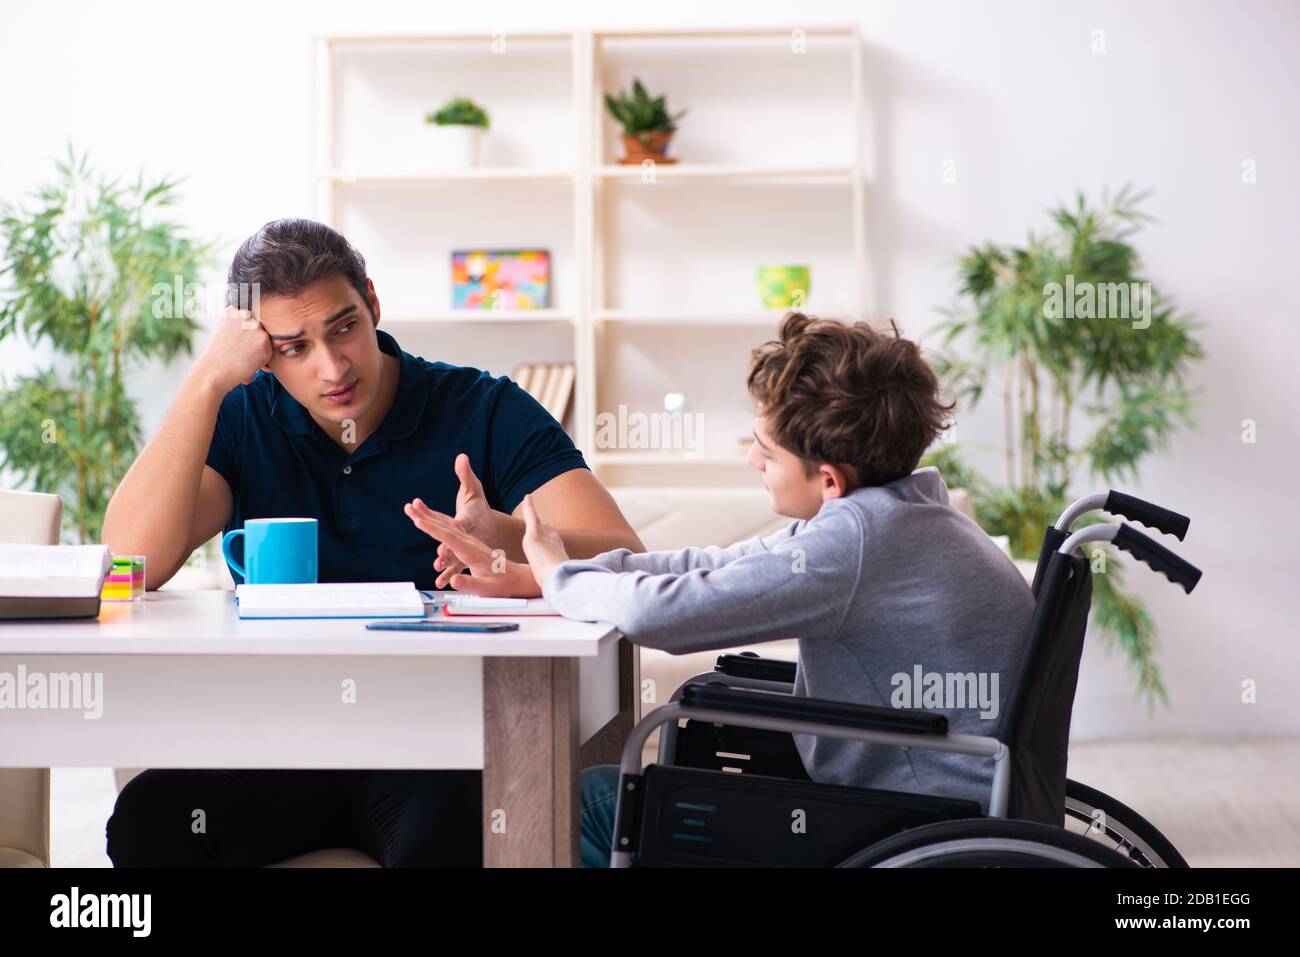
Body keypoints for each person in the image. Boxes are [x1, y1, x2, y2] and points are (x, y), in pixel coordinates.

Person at [100, 218, 643, 867]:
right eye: (294, 346)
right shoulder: (245, 418)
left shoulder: (484, 407)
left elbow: (623, 554)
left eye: (343, 327)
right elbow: (130, 563)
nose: (332, 367)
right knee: (149, 822)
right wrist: (205, 383)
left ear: (373, 304)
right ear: (261, 354)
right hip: (282, 746)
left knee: (448, 838)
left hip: (435, 751)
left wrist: (510, 535)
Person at [408, 312, 1036, 867]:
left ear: (829, 479)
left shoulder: (854, 545)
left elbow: (664, 617)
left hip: (905, 817)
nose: (752, 461)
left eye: (765, 450)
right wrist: (534, 575)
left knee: (575, 803)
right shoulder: (903, 510)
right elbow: (710, 564)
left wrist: (555, 571)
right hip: (931, 790)